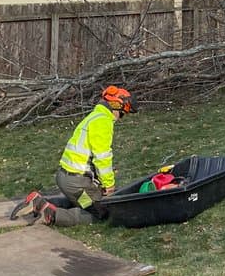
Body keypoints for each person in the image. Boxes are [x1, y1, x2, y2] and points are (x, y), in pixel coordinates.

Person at [11, 85, 136, 226]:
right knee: (101, 212)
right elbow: (102, 158)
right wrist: (109, 184)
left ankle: (39, 203)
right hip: (77, 183)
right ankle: (51, 215)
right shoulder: (103, 122)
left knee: (85, 202)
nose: (121, 118)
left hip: (67, 178)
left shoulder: (94, 117)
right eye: (122, 114)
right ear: (116, 107)